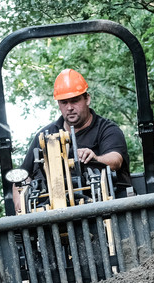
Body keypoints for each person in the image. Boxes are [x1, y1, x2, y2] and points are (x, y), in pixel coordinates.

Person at [19, 68, 132, 197]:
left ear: (87, 99)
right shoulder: (45, 136)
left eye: (75, 100)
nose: (70, 107)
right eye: (64, 102)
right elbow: (22, 175)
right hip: (57, 211)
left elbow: (115, 160)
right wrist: (20, 201)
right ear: (58, 104)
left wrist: (95, 158)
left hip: (107, 206)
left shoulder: (107, 129)